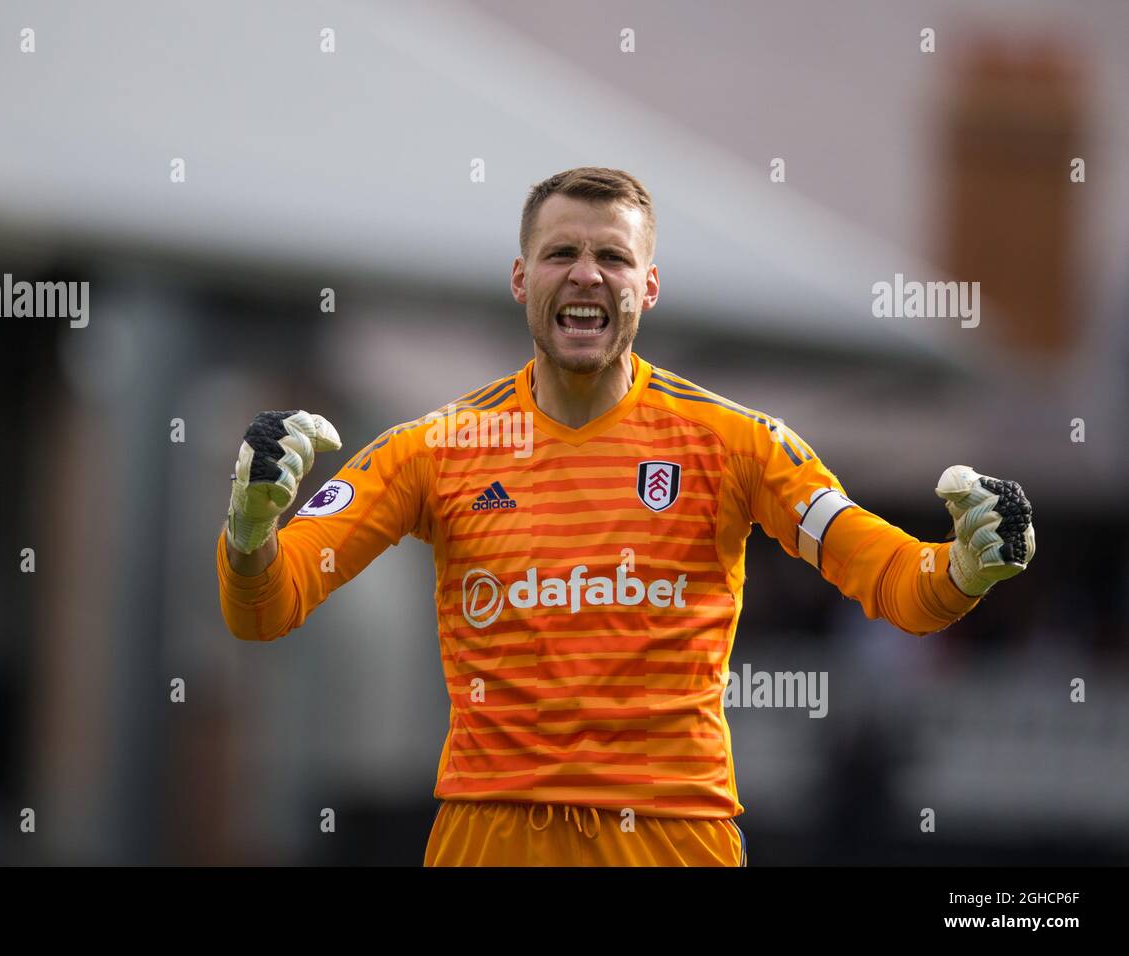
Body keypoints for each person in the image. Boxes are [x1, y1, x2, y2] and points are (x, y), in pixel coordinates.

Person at [215, 166, 1036, 866]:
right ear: (520, 277)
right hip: (493, 831)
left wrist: (963, 568)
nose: (585, 275)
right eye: (561, 253)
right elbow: (267, 607)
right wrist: (250, 537)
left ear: (647, 285)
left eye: (612, 255)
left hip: (672, 834)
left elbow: (892, 580)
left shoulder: (735, 443)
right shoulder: (435, 448)